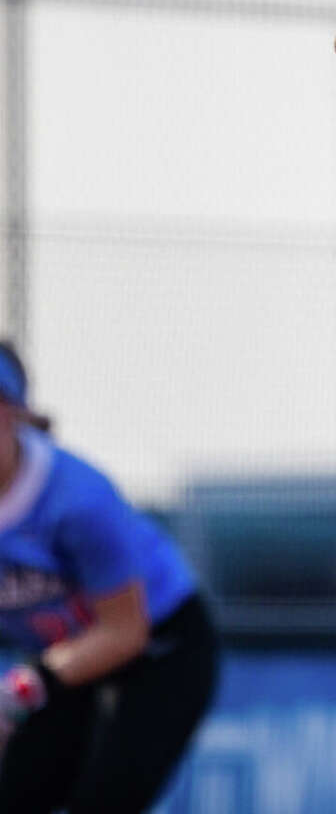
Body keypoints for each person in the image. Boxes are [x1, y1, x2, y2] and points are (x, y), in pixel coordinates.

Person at [0, 341, 221, 813]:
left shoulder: (75, 501)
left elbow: (125, 632)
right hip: (60, 664)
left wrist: (15, 693)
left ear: (13, 415)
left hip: (161, 650)